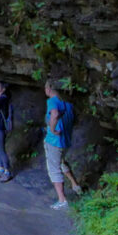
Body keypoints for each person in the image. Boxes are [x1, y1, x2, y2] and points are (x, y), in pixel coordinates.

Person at [44, 80, 76, 209]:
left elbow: (55, 114)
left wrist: (52, 129)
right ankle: (75, 184)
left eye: (45, 87)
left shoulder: (53, 101)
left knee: (54, 169)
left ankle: (62, 200)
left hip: (54, 141)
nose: (45, 90)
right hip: (65, 141)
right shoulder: (68, 103)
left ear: (50, 88)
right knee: (62, 163)